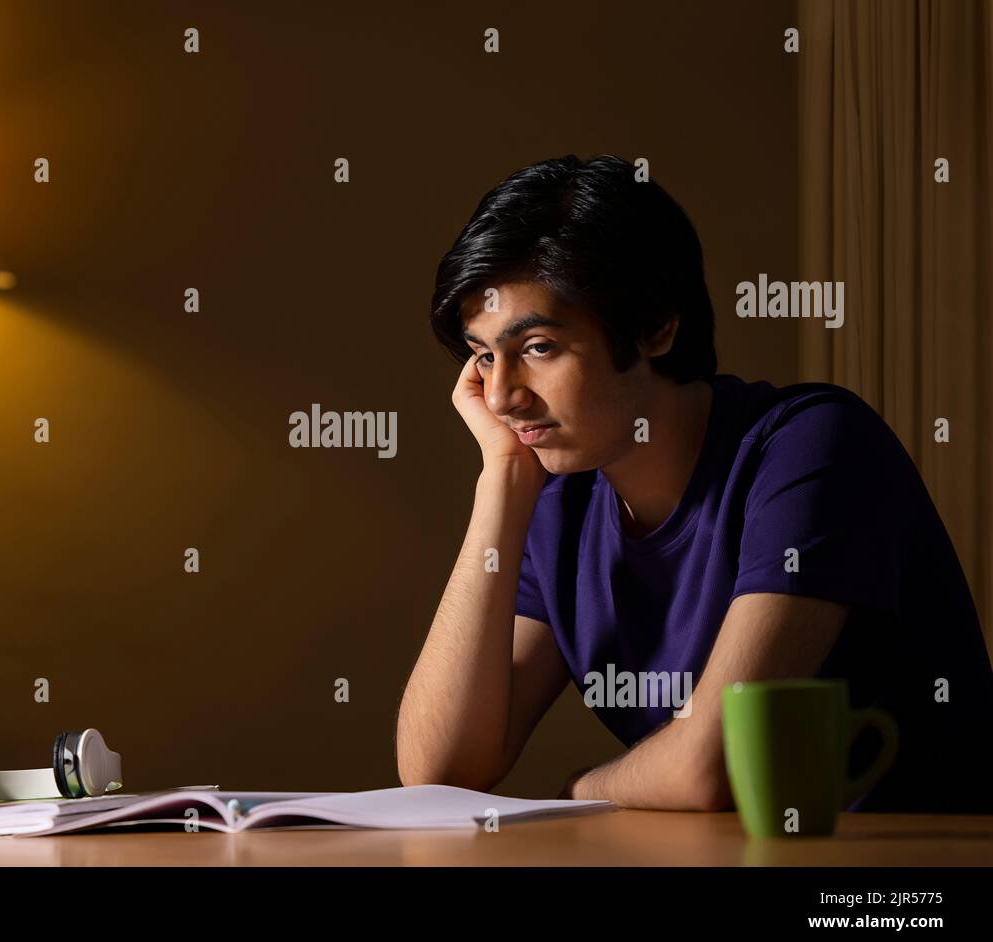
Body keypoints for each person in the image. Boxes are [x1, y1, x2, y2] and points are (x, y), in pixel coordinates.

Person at [395, 154, 993, 812]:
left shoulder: (813, 447)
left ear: (656, 327)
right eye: (483, 355)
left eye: (537, 347)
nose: (502, 395)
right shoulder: (558, 497)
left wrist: (581, 793)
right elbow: (440, 770)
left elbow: (712, 764)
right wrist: (502, 481)